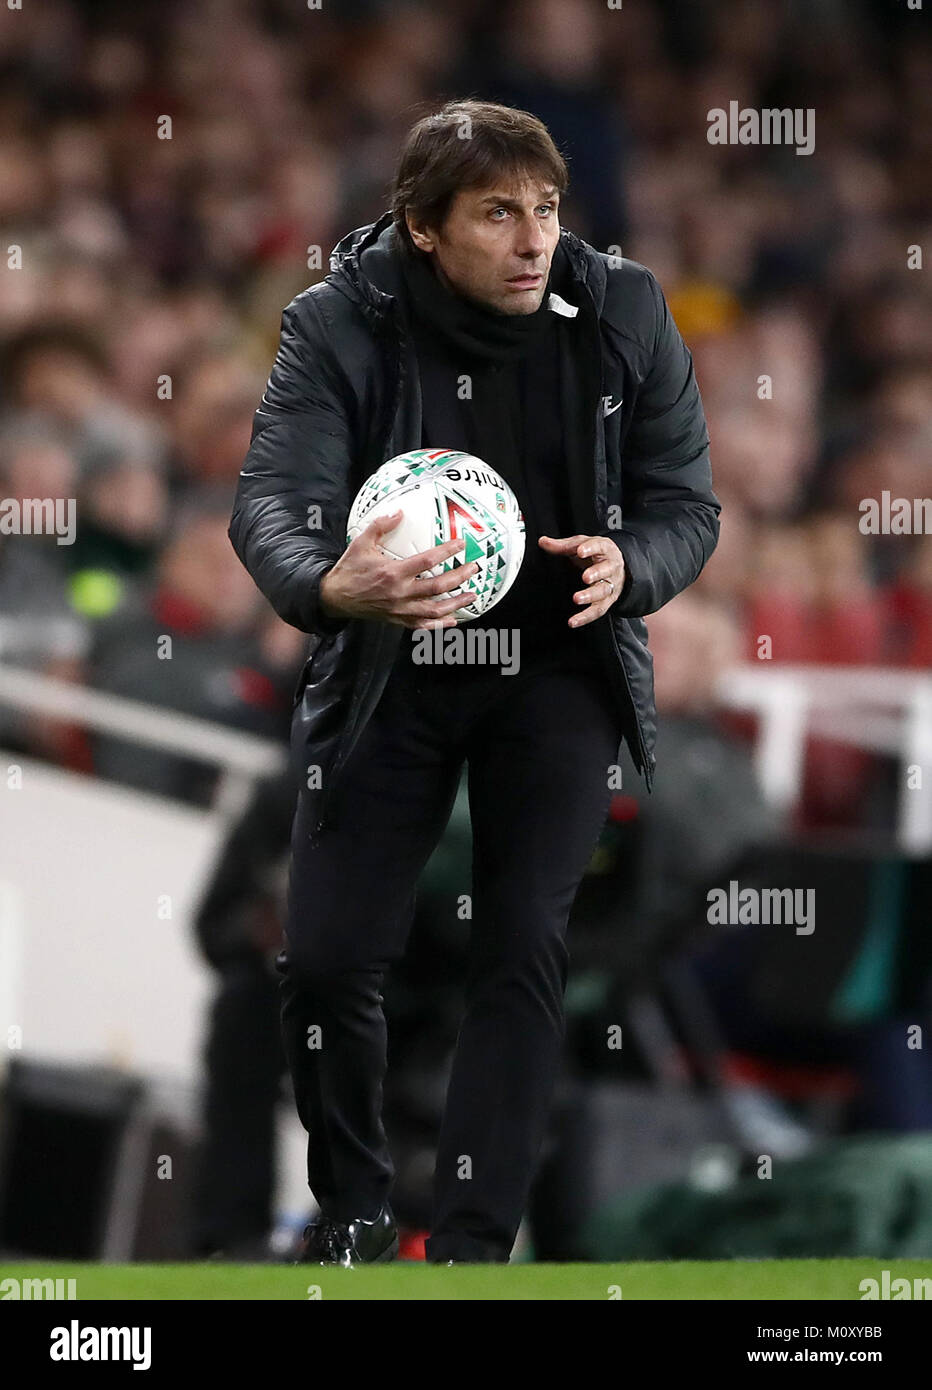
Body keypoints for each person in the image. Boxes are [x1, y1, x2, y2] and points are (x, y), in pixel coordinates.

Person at [228, 100, 720, 1265]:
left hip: (555, 667)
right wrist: (330, 586)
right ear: (421, 228)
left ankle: (470, 1245)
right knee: (330, 958)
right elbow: (271, 500)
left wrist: (631, 562)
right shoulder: (336, 323)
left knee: (523, 946)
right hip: (393, 661)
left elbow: (684, 505)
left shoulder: (623, 309)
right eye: (496, 212)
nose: (531, 236)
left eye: (544, 210)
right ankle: (348, 1215)